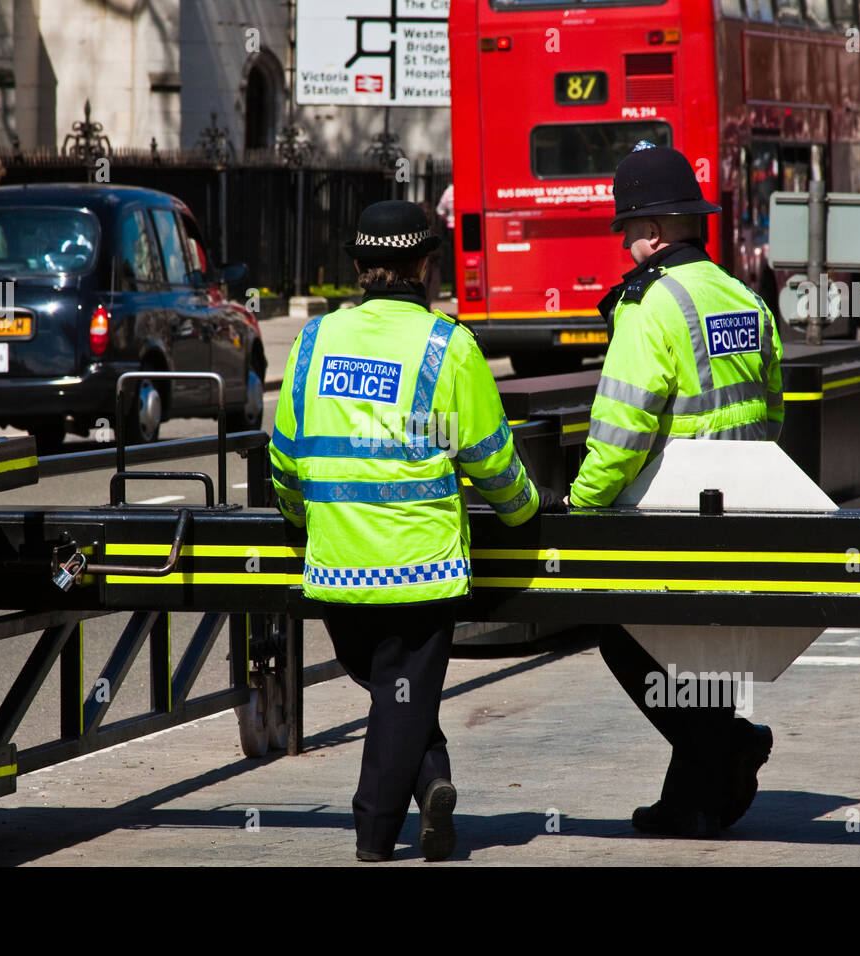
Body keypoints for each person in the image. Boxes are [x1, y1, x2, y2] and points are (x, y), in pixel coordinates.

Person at [269, 200, 563, 862]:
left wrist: (298, 520)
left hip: (337, 566)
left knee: (394, 690)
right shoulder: (446, 346)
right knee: (402, 696)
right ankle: (374, 834)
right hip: (418, 568)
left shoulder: (315, 341)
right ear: (426, 267)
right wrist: (526, 508)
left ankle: (433, 782)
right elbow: (490, 458)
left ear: (360, 268)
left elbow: (284, 457)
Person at [566, 142, 782, 839]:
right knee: (694, 649)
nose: (623, 242)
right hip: (743, 510)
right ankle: (693, 801)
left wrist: (585, 504)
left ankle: (728, 749)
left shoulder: (650, 303)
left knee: (625, 640)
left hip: (674, 517)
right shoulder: (744, 295)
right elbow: (773, 408)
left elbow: (621, 427)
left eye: (626, 228)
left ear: (654, 231)